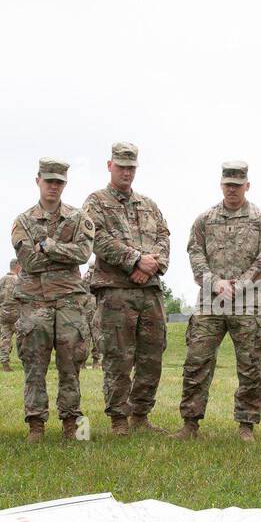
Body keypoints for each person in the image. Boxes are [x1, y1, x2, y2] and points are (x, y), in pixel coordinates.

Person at [176, 162, 261, 441]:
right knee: (197, 361)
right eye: (228, 185)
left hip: (249, 303)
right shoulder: (205, 220)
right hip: (210, 303)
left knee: (251, 366)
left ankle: (246, 425)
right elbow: (195, 253)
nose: (232, 190)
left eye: (237, 185)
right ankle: (190, 423)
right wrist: (214, 282)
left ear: (247, 185)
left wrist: (239, 285)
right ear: (221, 185)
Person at [82, 142, 171, 435]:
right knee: (118, 357)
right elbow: (97, 239)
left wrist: (152, 266)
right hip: (115, 291)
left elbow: (164, 237)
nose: (126, 172)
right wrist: (134, 260)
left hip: (150, 291)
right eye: (121, 167)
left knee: (151, 356)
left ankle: (141, 416)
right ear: (110, 166)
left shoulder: (149, 205)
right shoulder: (96, 202)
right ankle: (119, 419)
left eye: (131, 167)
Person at [10, 158, 95, 441]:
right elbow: (30, 262)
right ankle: (36, 424)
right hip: (34, 302)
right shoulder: (23, 221)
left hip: (69, 301)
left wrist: (49, 246)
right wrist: (63, 253)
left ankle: (71, 423)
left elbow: (83, 254)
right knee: (34, 365)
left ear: (65, 184)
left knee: (71, 364)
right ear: (38, 181)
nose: (54, 187)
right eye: (49, 181)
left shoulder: (79, 218)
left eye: (59, 182)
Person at [0, 259, 22, 371]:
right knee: (23, 338)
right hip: (19, 314)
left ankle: (4, 363)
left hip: (4, 315)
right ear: (18, 266)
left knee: (5, 339)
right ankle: (26, 361)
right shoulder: (20, 281)